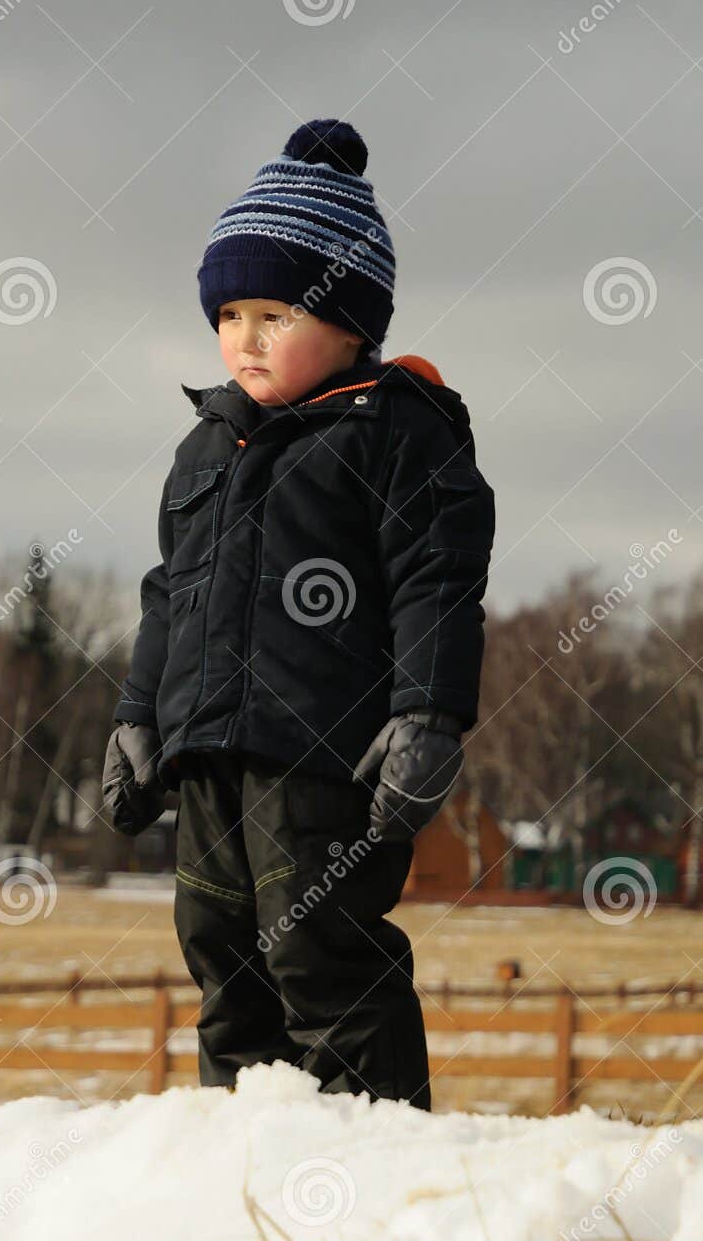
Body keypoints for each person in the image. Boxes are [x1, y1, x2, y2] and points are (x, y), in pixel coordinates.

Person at [102, 118, 495, 1109]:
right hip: (206, 756)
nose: (243, 336)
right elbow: (168, 595)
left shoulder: (396, 434)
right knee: (220, 955)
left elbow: (434, 579)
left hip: (326, 756)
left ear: (350, 321)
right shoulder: (204, 452)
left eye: (273, 312)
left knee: (316, 948)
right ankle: (241, 1167)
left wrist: (427, 716)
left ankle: (371, 1159)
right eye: (228, 313)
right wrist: (136, 717)